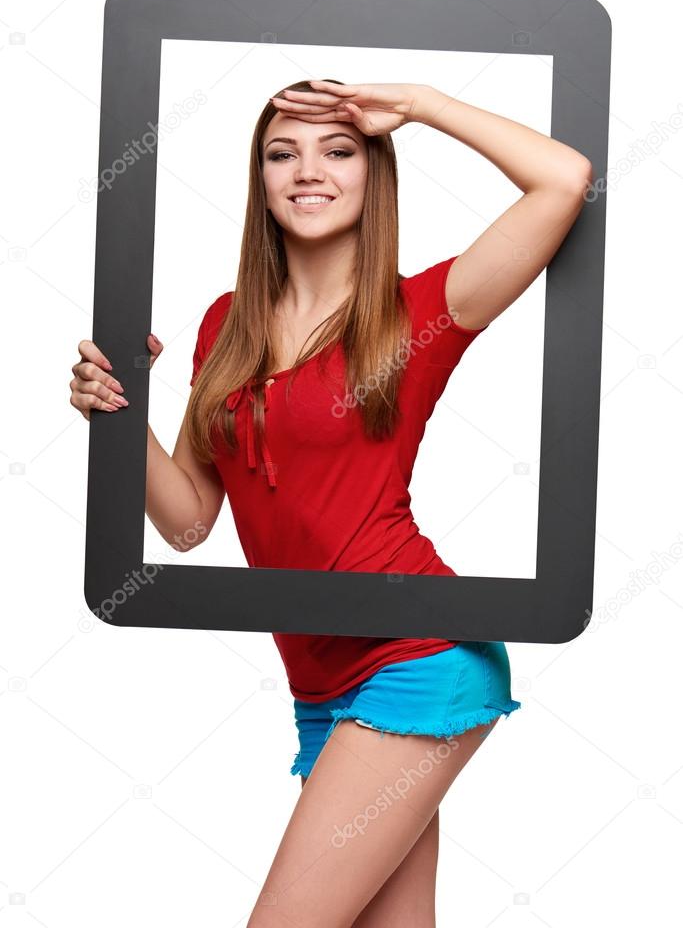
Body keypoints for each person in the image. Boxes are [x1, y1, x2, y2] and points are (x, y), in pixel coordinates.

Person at [70, 79, 592, 927]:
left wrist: (418, 105)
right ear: (260, 180)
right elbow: (189, 520)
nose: (307, 171)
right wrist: (120, 412)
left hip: (415, 657)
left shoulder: (421, 311)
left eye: (337, 151)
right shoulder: (225, 325)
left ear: (373, 172)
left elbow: (563, 180)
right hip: (316, 681)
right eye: (282, 153)